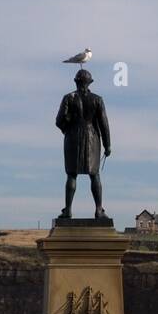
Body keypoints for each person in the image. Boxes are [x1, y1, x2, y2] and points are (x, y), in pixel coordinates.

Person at [55, 69, 111, 219]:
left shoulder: (68, 98)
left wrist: (68, 125)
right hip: (92, 139)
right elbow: (104, 124)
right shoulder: (97, 99)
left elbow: (59, 121)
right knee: (95, 175)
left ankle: (68, 210)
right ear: (89, 83)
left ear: (76, 82)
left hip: (73, 138)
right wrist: (108, 144)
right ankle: (99, 210)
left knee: (71, 175)